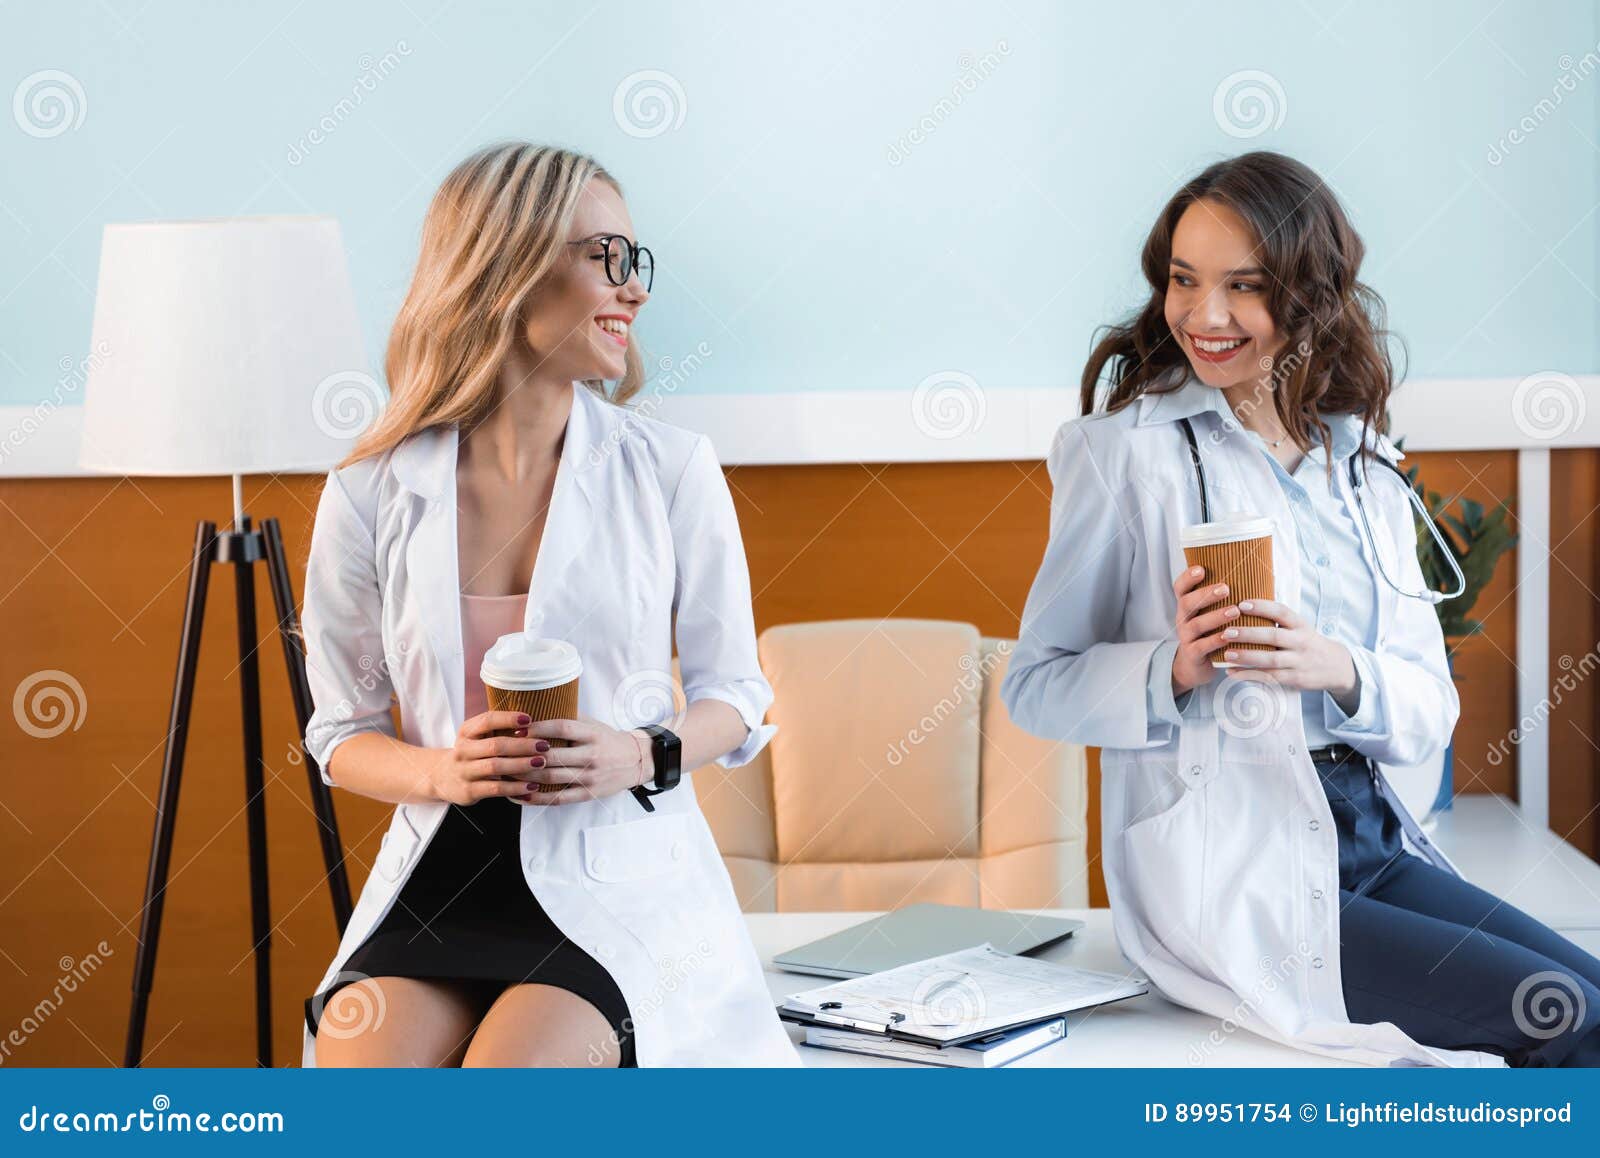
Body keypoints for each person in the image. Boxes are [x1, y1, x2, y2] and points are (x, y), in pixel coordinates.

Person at [1001, 150, 1600, 1067]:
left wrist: (1342, 669)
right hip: (1231, 871)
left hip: (1368, 839)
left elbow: (1431, 707)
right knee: (1569, 1024)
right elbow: (1034, 686)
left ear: (1311, 292)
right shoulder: (1124, 456)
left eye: (1245, 285)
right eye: (1183, 280)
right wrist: (1174, 668)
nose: (1205, 315)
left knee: (1589, 1002)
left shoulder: (1364, 465)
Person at [298, 141, 798, 1068]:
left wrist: (641, 753)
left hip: (617, 875)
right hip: (446, 877)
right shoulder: (368, 493)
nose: (634, 289)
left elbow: (739, 694)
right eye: (604, 256)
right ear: (505, 267)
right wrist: (445, 774)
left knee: (509, 1083)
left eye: (633, 260)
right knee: (358, 1076)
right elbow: (340, 736)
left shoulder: (672, 470)